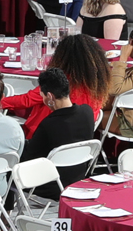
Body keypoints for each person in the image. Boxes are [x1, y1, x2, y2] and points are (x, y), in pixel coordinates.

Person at [19, 68, 98, 196]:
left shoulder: (49, 124)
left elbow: (29, 159)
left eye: (42, 96)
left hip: (50, 184)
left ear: (50, 96)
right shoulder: (87, 112)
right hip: (78, 178)